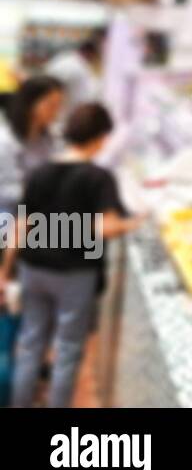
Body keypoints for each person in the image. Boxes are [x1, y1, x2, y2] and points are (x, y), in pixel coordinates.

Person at [0, 103, 138, 408]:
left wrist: (5, 271)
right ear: (101, 137)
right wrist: (136, 221)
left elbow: (21, 226)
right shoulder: (98, 177)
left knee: (30, 344)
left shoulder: (39, 173)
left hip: (34, 268)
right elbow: (106, 228)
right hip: (75, 272)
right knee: (68, 349)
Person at [0, 76, 64, 220]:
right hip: (11, 213)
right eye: (50, 105)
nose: (56, 112)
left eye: (59, 105)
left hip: (42, 211)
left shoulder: (52, 138)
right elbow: (6, 191)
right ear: (30, 103)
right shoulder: (5, 141)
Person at [44, 35, 103, 117]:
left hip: (55, 112)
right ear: (90, 53)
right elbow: (86, 97)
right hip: (64, 115)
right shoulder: (80, 67)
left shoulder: (62, 58)